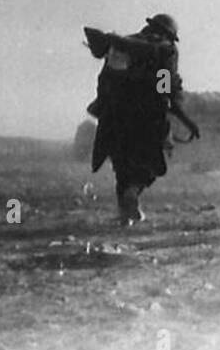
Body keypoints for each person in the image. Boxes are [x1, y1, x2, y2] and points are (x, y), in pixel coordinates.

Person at [84, 13, 199, 226]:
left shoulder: (121, 46)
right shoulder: (165, 50)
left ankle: (125, 214)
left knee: (121, 164)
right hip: (146, 117)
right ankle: (133, 195)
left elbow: (104, 82)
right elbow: (164, 87)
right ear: (169, 33)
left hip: (114, 116)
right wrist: (183, 118)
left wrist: (105, 108)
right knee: (150, 164)